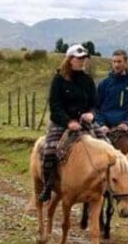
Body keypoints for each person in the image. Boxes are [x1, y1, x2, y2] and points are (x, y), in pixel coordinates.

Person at [39, 44, 108, 203]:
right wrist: (68, 122)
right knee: (49, 151)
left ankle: (108, 186)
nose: (82, 61)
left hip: (85, 123)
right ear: (70, 60)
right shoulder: (59, 80)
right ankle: (48, 186)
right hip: (62, 123)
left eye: (84, 58)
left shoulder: (87, 80)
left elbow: (95, 103)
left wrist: (91, 113)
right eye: (79, 58)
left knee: (108, 147)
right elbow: (55, 106)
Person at [96, 49, 128, 135]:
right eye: (114, 61)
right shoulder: (103, 84)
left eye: (119, 61)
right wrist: (101, 124)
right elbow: (96, 108)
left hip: (126, 128)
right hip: (105, 128)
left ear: (126, 63)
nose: (116, 65)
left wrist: (127, 123)